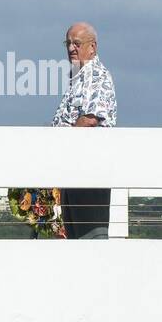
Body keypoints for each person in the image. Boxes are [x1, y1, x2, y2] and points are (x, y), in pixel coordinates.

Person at [52, 22, 117, 239]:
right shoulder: (78, 76)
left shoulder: (95, 75)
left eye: (77, 43)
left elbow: (89, 120)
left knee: (91, 240)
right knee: (76, 239)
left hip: (89, 169)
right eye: (68, 43)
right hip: (73, 169)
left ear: (93, 47)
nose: (71, 48)